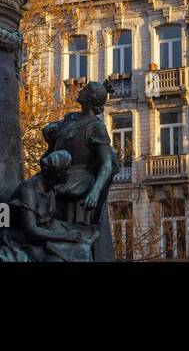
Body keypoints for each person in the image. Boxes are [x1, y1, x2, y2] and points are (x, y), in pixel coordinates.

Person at [43, 81, 118, 261]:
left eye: (85, 90)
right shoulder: (71, 118)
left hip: (79, 185)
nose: (81, 90)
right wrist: (50, 131)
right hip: (58, 177)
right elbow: (51, 131)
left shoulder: (96, 126)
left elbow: (107, 163)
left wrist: (94, 192)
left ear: (91, 99)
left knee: (73, 233)